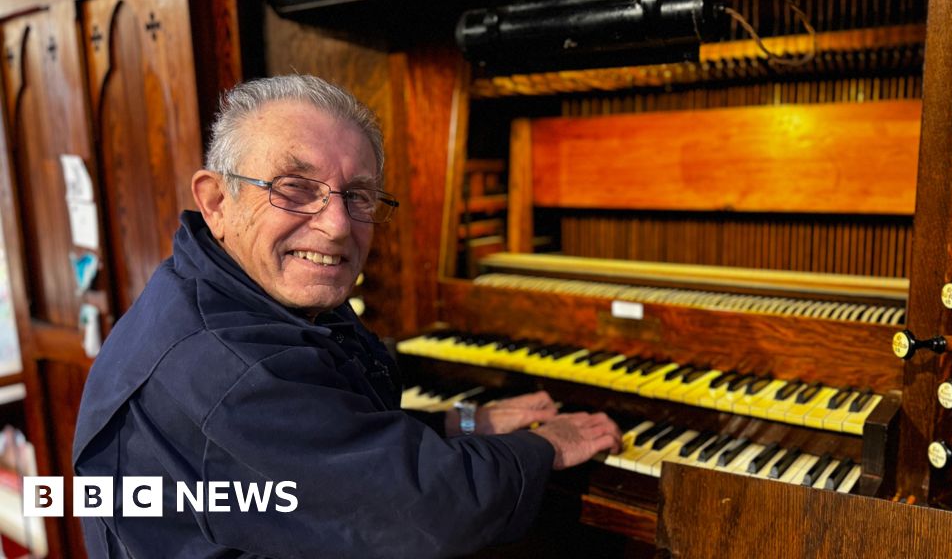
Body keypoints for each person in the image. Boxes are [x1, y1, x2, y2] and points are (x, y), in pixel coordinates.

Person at [73, 74, 622, 558]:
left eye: (358, 196)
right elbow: (422, 512)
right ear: (217, 201)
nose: (337, 225)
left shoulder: (226, 288)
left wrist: (464, 423)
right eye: (295, 188)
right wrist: (547, 444)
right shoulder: (229, 362)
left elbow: (328, 444)